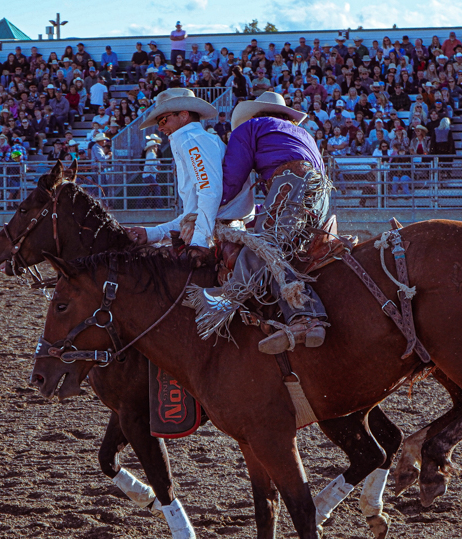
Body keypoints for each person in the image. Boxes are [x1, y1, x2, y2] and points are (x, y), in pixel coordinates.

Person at [189, 91, 331, 354]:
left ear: (254, 114)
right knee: (285, 249)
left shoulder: (249, 128)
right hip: (318, 195)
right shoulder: (303, 134)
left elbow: (232, 179)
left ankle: (305, 316)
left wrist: (206, 210)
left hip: (290, 187)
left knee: (263, 247)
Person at [126, 88, 236, 250]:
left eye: (163, 120)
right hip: (223, 234)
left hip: (221, 238)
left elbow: (209, 193)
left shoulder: (190, 139)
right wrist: (153, 233)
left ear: (183, 115)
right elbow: (192, 214)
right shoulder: (194, 139)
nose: (160, 128)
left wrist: (199, 243)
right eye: (158, 123)